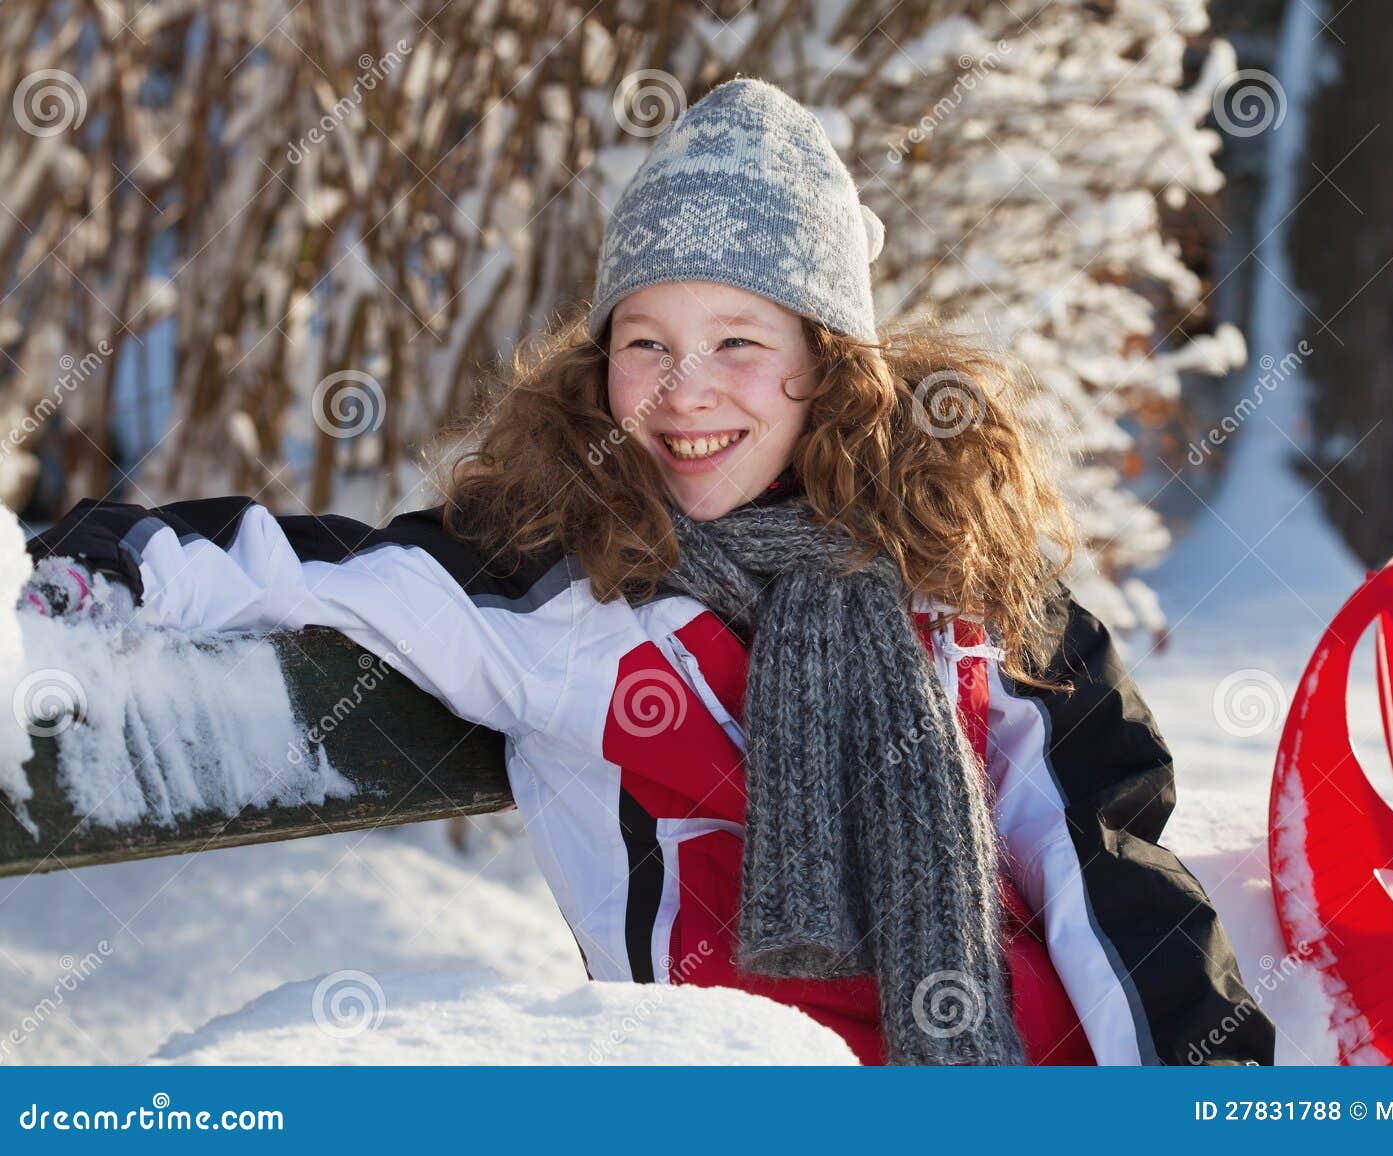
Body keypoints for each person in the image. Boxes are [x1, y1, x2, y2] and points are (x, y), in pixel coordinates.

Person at [19, 77, 1272, 1066]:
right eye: (645, 342)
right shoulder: (551, 590)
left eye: (738, 339)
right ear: (598, 363)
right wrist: (80, 572)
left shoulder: (962, 581)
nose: (684, 391)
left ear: (826, 365)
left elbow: (1105, 873)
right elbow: (284, 564)